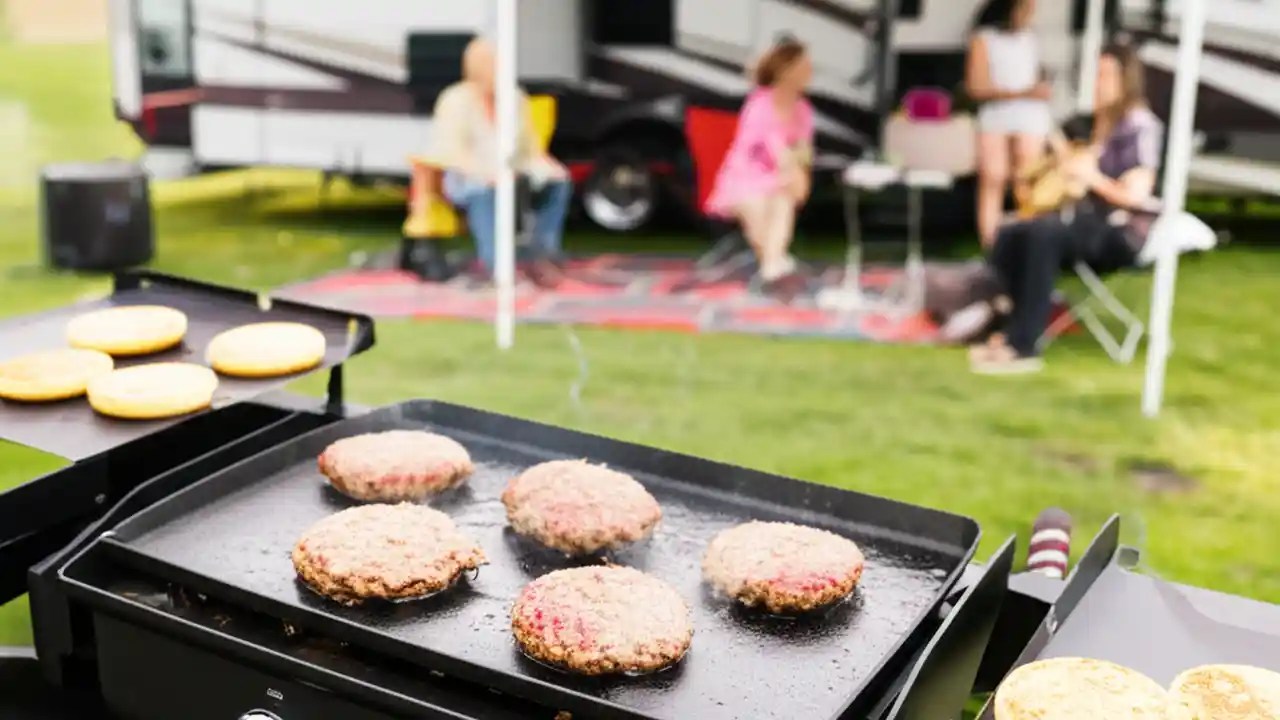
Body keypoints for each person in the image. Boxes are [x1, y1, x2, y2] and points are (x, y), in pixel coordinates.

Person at [971, 42, 1164, 374]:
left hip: (1121, 230)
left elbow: (1135, 195)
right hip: (1084, 222)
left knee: (1044, 234)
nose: (1098, 83)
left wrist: (1091, 177)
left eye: (1106, 75)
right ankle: (1009, 321)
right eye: (1096, 75)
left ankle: (1024, 347)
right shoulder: (1091, 124)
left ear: (1126, 80)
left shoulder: (1139, 126)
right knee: (1011, 230)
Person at [428, 37, 571, 285]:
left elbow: (529, 149)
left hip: (512, 170)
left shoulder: (515, 97)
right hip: (467, 175)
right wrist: (488, 174)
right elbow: (452, 152)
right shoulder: (454, 100)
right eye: (493, 64)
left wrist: (549, 167)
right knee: (483, 190)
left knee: (559, 181)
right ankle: (495, 265)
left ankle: (543, 251)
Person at [704, 37, 815, 299]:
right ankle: (774, 265)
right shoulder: (760, 104)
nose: (809, 70)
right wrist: (793, 172)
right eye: (803, 65)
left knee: (783, 200)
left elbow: (803, 151)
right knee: (758, 203)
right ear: (786, 69)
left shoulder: (803, 110)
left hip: (779, 177)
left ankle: (771, 268)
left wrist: (802, 177)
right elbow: (774, 148)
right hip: (744, 176)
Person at [966, 0, 1055, 248]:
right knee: (993, 178)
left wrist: (1037, 91)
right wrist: (1023, 93)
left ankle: (1028, 242)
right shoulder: (984, 39)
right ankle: (991, 244)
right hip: (996, 114)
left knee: (1026, 178)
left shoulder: (1031, 39)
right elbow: (976, 87)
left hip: (1030, 116)